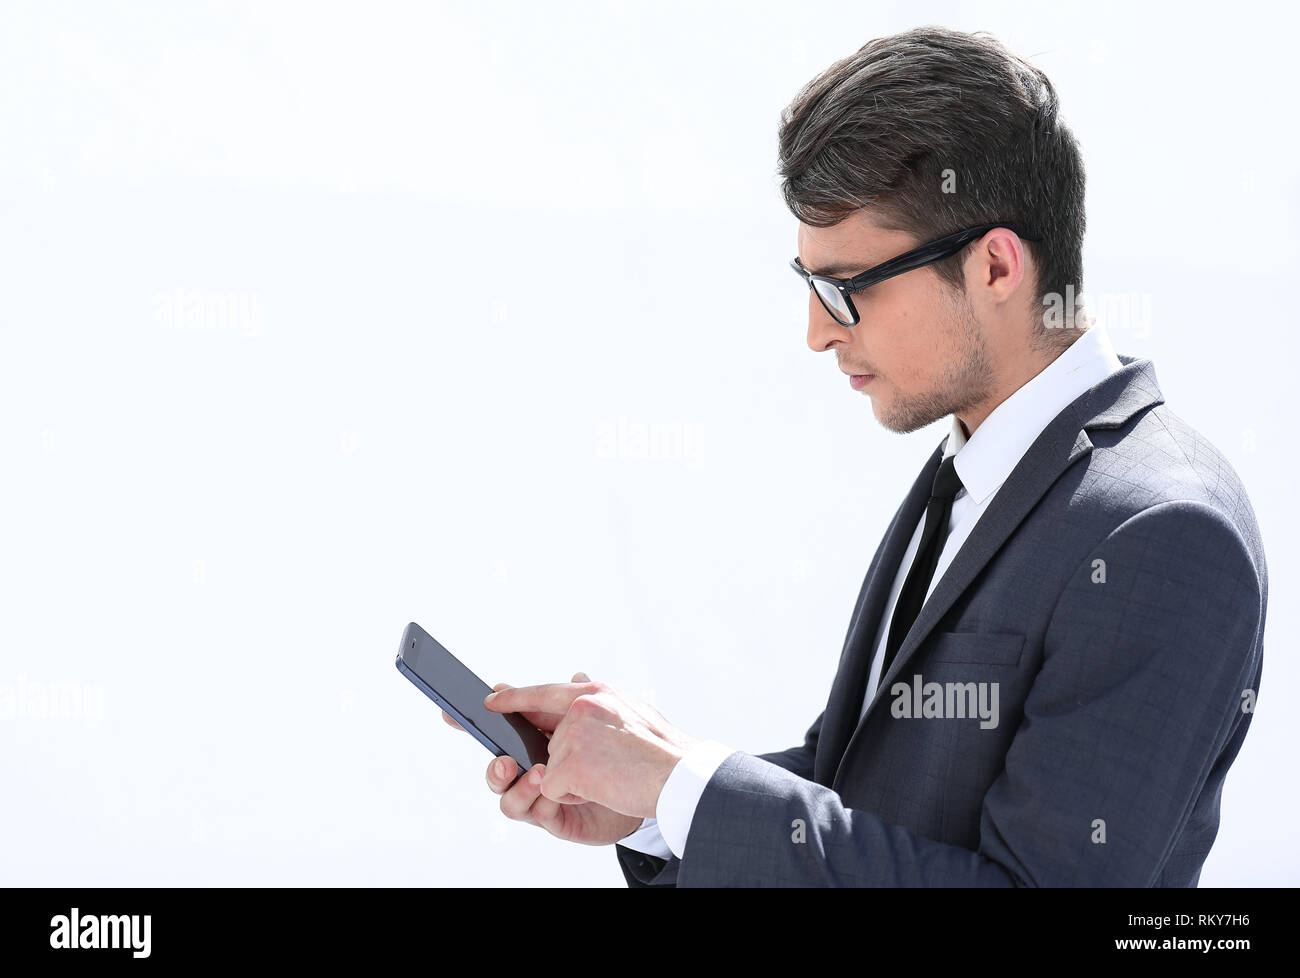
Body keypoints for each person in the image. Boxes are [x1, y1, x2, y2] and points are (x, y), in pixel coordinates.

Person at [453, 25, 1268, 886]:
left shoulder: (1165, 532)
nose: (817, 332)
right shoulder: (972, 470)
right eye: (810, 286)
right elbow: (864, 787)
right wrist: (655, 804)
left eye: (846, 288)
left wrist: (683, 786)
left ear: (996, 267)